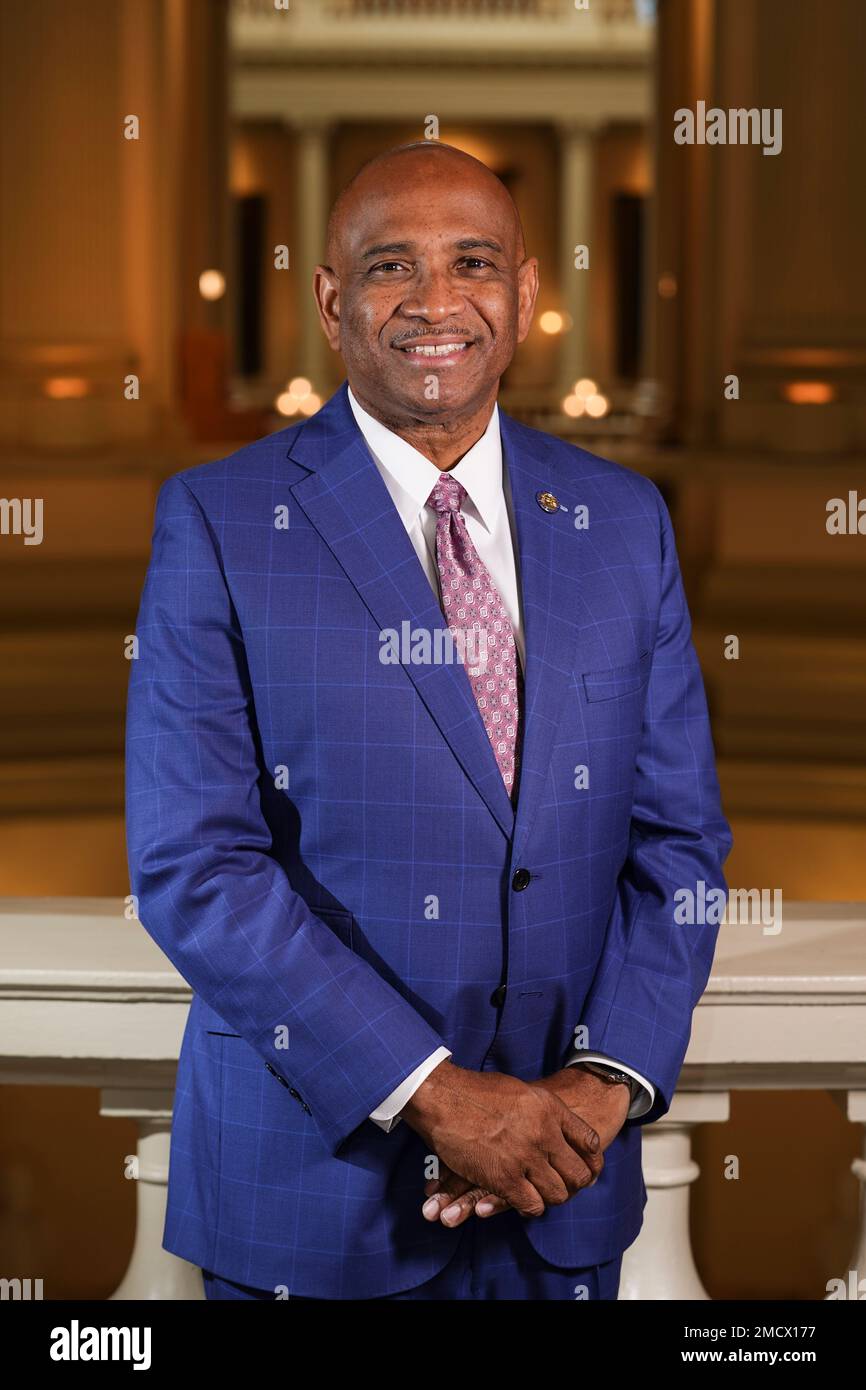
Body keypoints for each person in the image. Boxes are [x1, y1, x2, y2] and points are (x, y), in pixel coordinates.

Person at [125, 140, 732, 1301]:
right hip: (314, 1204)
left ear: (526, 292)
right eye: (390, 265)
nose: (436, 301)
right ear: (330, 299)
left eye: (473, 263)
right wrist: (441, 1098)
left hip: (560, 1192)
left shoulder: (621, 518)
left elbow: (679, 846)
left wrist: (595, 1089)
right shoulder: (220, 519)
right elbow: (193, 864)